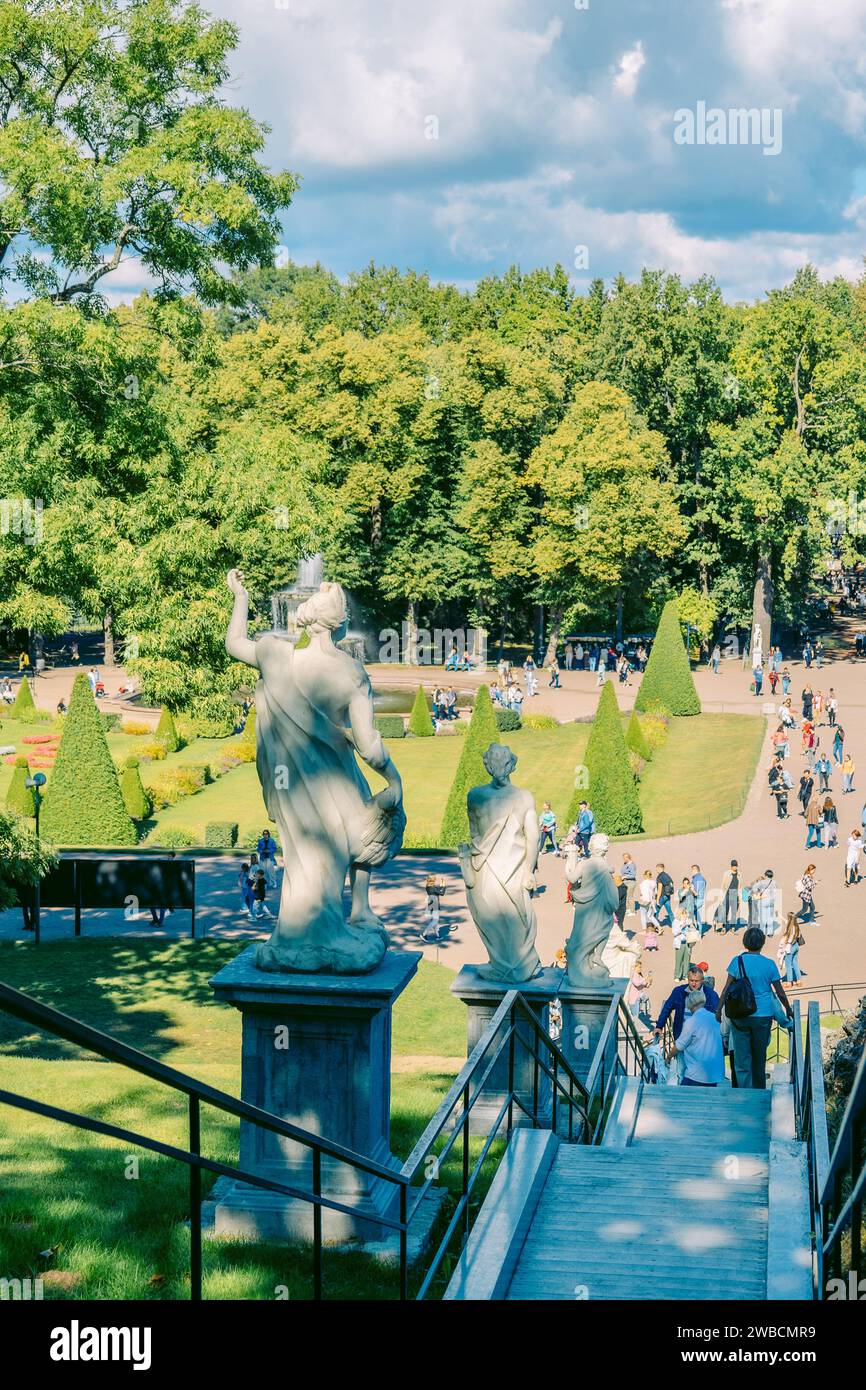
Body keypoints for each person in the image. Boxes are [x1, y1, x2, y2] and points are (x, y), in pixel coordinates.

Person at [716, 927, 793, 1089]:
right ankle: (759, 1091)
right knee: (759, 1057)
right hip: (763, 1016)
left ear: (745, 942)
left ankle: (745, 1093)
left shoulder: (736, 962)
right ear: (762, 943)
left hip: (740, 1014)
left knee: (742, 1059)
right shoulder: (769, 964)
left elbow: (726, 989)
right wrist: (788, 1009)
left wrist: (719, 1009)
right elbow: (780, 992)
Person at [653, 965, 720, 1078]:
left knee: (699, 1071)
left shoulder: (711, 995)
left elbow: (718, 1015)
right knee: (681, 1070)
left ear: (702, 980)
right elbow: (667, 1008)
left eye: (697, 981)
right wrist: (659, 1026)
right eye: (691, 980)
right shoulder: (678, 991)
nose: (693, 984)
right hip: (682, 1035)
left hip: (701, 1040)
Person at [672, 989, 726, 1087]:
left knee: (683, 1096)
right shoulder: (715, 1018)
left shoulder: (691, 1022)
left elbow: (679, 1046)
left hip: (696, 1074)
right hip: (714, 1074)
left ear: (690, 1003)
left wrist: (668, 1057)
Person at [777, 913, 806, 986]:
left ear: (789, 918)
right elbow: (785, 921)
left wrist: (786, 945)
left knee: (788, 964)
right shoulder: (796, 926)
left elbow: (791, 937)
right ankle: (799, 980)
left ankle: (789, 982)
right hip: (796, 946)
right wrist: (779, 915)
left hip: (790, 947)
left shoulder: (791, 927)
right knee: (795, 963)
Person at [717, 859, 740, 932]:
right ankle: (724, 927)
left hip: (735, 895)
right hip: (727, 895)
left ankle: (732, 927)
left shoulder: (739, 874)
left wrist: (740, 897)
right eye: (733, 866)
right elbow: (723, 885)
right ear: (731, 866)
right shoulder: (726, 873)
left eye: (736, 865)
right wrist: (721, 896)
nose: (735, 867)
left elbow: (741, 886)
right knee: (725, 911)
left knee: (734, 912)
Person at [627, 960, 652, 1026]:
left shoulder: (639, 975)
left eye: (641, 967)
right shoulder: (634, 975)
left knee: (636, 1016)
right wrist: (645, 980)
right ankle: (635, 1030)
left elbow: (646, 985)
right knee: (635, 1016)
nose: (640, 969)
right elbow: (637, 983)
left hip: (638, 998)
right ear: (634, 968)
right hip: (633, 999)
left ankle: (636, 1028)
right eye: (639, 967)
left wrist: (649, 981)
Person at [422, 873, 446, 941]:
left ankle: (437, 936)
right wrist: (444, 886)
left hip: (431, 905)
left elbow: (438, 891)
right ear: (433, 880)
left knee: (435, 922)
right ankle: (424, 934)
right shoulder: (433, 887)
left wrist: (441, 886)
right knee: (435, 921)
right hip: (435, 906)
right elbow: (442, 893)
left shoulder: (428, 886)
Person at [672, 911, 693, 982]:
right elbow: (674, 933)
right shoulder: (676, 921)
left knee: (687, 960)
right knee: (679, 960)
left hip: (687, 942)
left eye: (685, 913)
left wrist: (689, 925)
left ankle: (685, 975)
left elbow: (692, 929)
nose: (685, 915)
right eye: (683, 913)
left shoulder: (688, 921)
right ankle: (677, 976)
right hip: (680, 943)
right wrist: (682, 927)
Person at [654, 862, 674, 928]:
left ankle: (655, 925)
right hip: (667, 895)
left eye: (656, 868)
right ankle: (674, 925)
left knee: (656, 911)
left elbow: (660, 888)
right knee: (669, 911)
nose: (656, 870)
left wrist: (657, 900)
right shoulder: (667, 875)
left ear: (659, 868)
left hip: (662, 896)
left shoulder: (660, 876)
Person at [690, 864, 706, 931]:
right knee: (697, 916)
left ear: (695, 870)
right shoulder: (702, 878)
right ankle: (699, 933)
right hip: (701, 899)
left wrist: (691, 889)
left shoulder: (697, 878)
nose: (691, 872)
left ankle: (695, 932)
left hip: (697, 900)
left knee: (690, 914)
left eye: (692, 870)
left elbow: (696, 892)